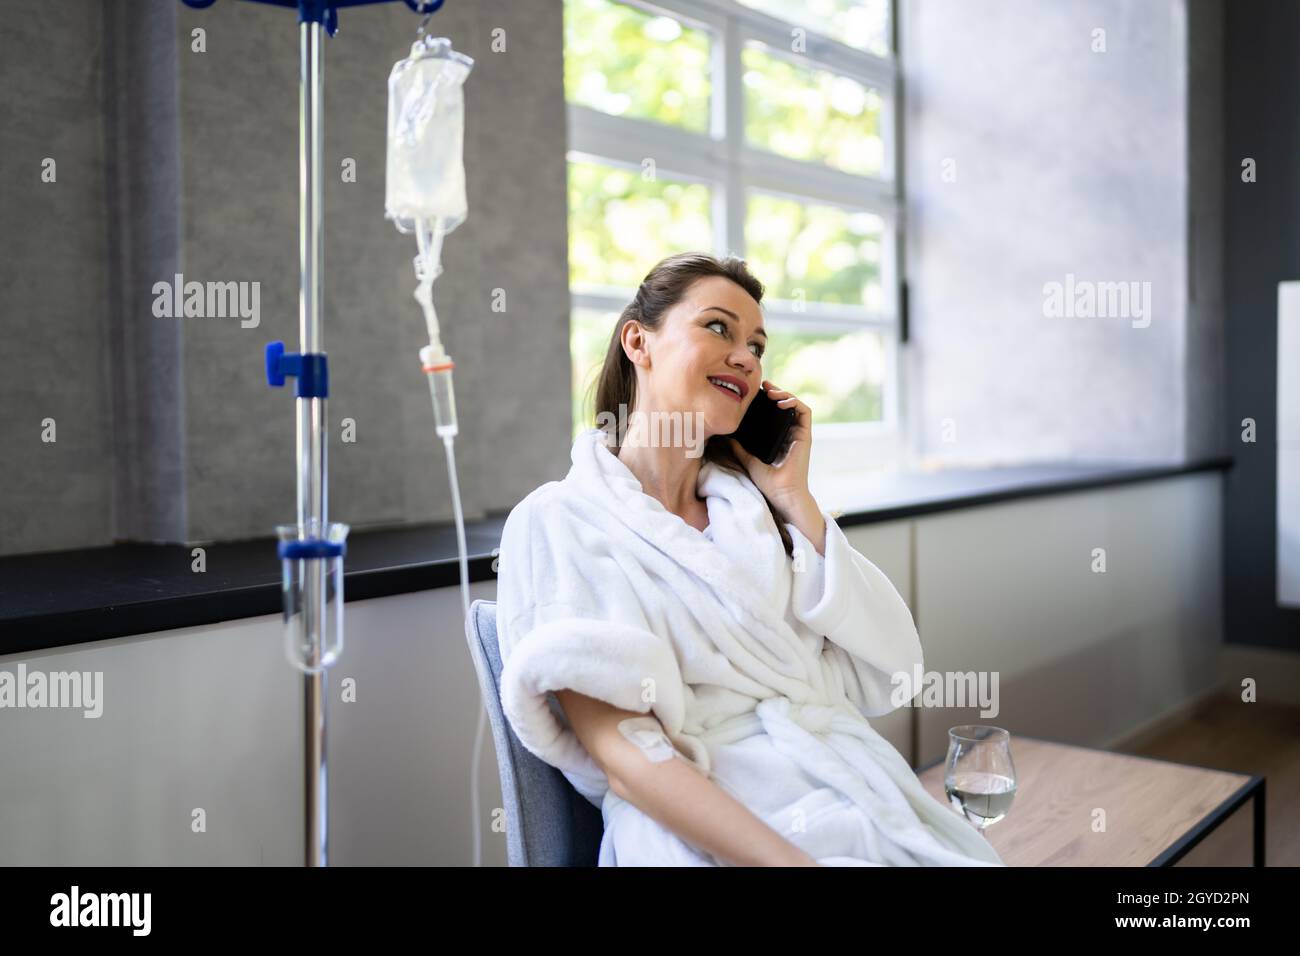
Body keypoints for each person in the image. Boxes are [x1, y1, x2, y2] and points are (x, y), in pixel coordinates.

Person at [495, 251, 1004, 867]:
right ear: (638, 341)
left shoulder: (757, 518)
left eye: (758, 346)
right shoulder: (560, 520)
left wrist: (794, 497)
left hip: (852, 798)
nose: (746, 356)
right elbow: (629, 759)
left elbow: (888, 673)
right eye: (718, 328)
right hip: (706, 835)